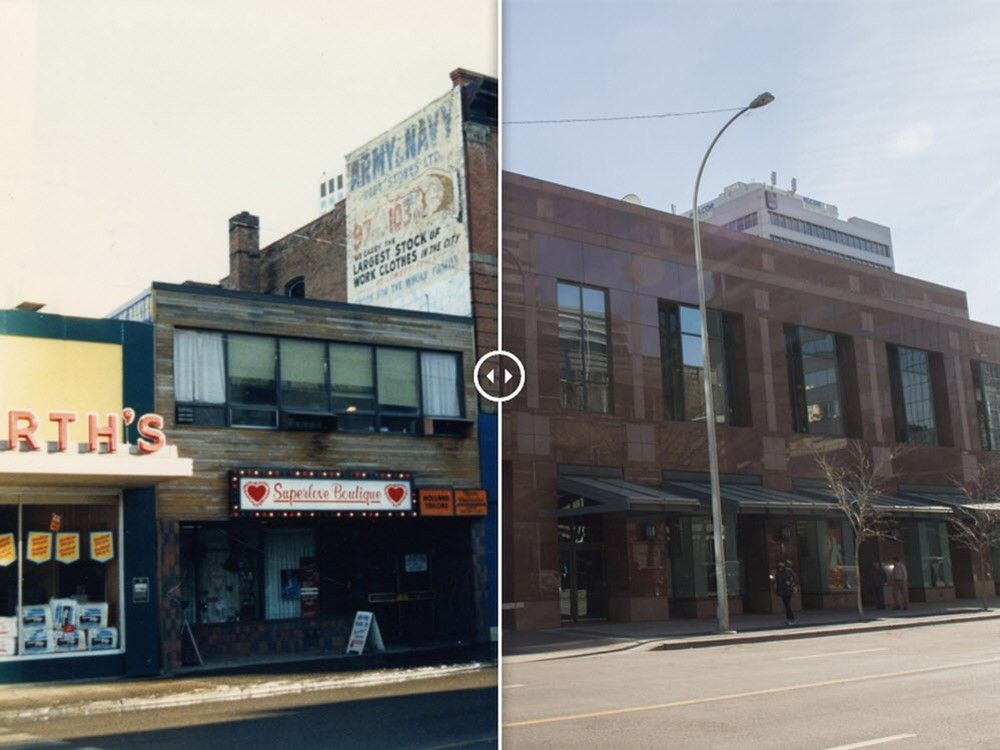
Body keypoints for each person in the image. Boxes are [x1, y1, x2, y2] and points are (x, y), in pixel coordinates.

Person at [774, 560, 798, 625]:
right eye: (779, 568)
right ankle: (789, 619)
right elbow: (777, 582)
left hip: (788, 590)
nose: (780, 569)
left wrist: (791, 583)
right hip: (782, 591)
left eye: (781, 568)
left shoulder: (788, 571)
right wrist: (777, 591)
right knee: (786, 605)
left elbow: (795, 578)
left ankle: (791, 619)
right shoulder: (778, 573)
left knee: (787, 605)